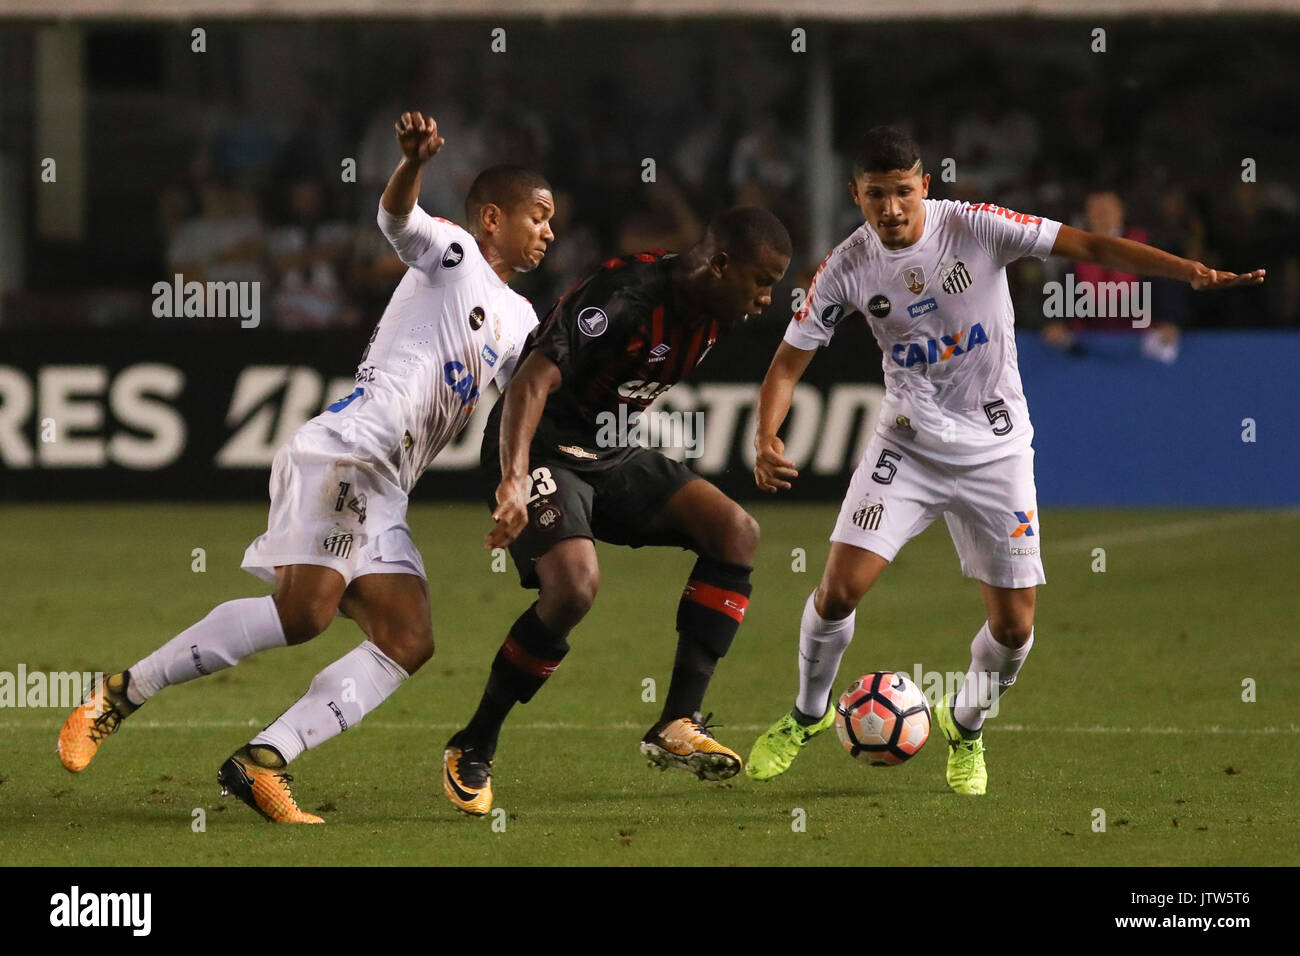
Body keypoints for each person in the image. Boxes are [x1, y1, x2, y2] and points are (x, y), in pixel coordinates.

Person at [57, 112, 556, 823]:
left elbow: (526, 401)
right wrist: (412, 162)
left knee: (408, 638)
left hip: (388, 486)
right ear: (492, 217)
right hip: (350, 448)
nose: (548, 231)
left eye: (553, 222)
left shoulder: (521, 318)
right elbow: (394, 218)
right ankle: (119, 695)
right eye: (537, 217)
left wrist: (515, 481)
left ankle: (263, 760)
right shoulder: (452, 253)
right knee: (304, 614)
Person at [746, 126, 1264, 794]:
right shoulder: (846, 265)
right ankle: (807, 714)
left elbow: (1091, 245)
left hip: (996, 449)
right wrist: (765, 437)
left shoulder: (978, 227)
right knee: (840, 588)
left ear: (923, 185)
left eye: (903, 191)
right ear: (857, 195)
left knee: (1015, 627)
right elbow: (787, 365)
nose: (892, 208)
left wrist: (1185, 270)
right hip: (906, 446)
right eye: (876, 195)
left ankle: (965, 727)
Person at [441, 207, 792, 815]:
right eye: (763, 281)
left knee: (735, 532)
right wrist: (514, 480)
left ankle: (678, 721)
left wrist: (763, 441)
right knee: (574, 587)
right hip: (544, 446)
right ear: (721, 264)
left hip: (609, 453)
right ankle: (473, 743)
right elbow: (528, 382)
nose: (767, 298)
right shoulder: (624, 295)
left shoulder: (714, 312)